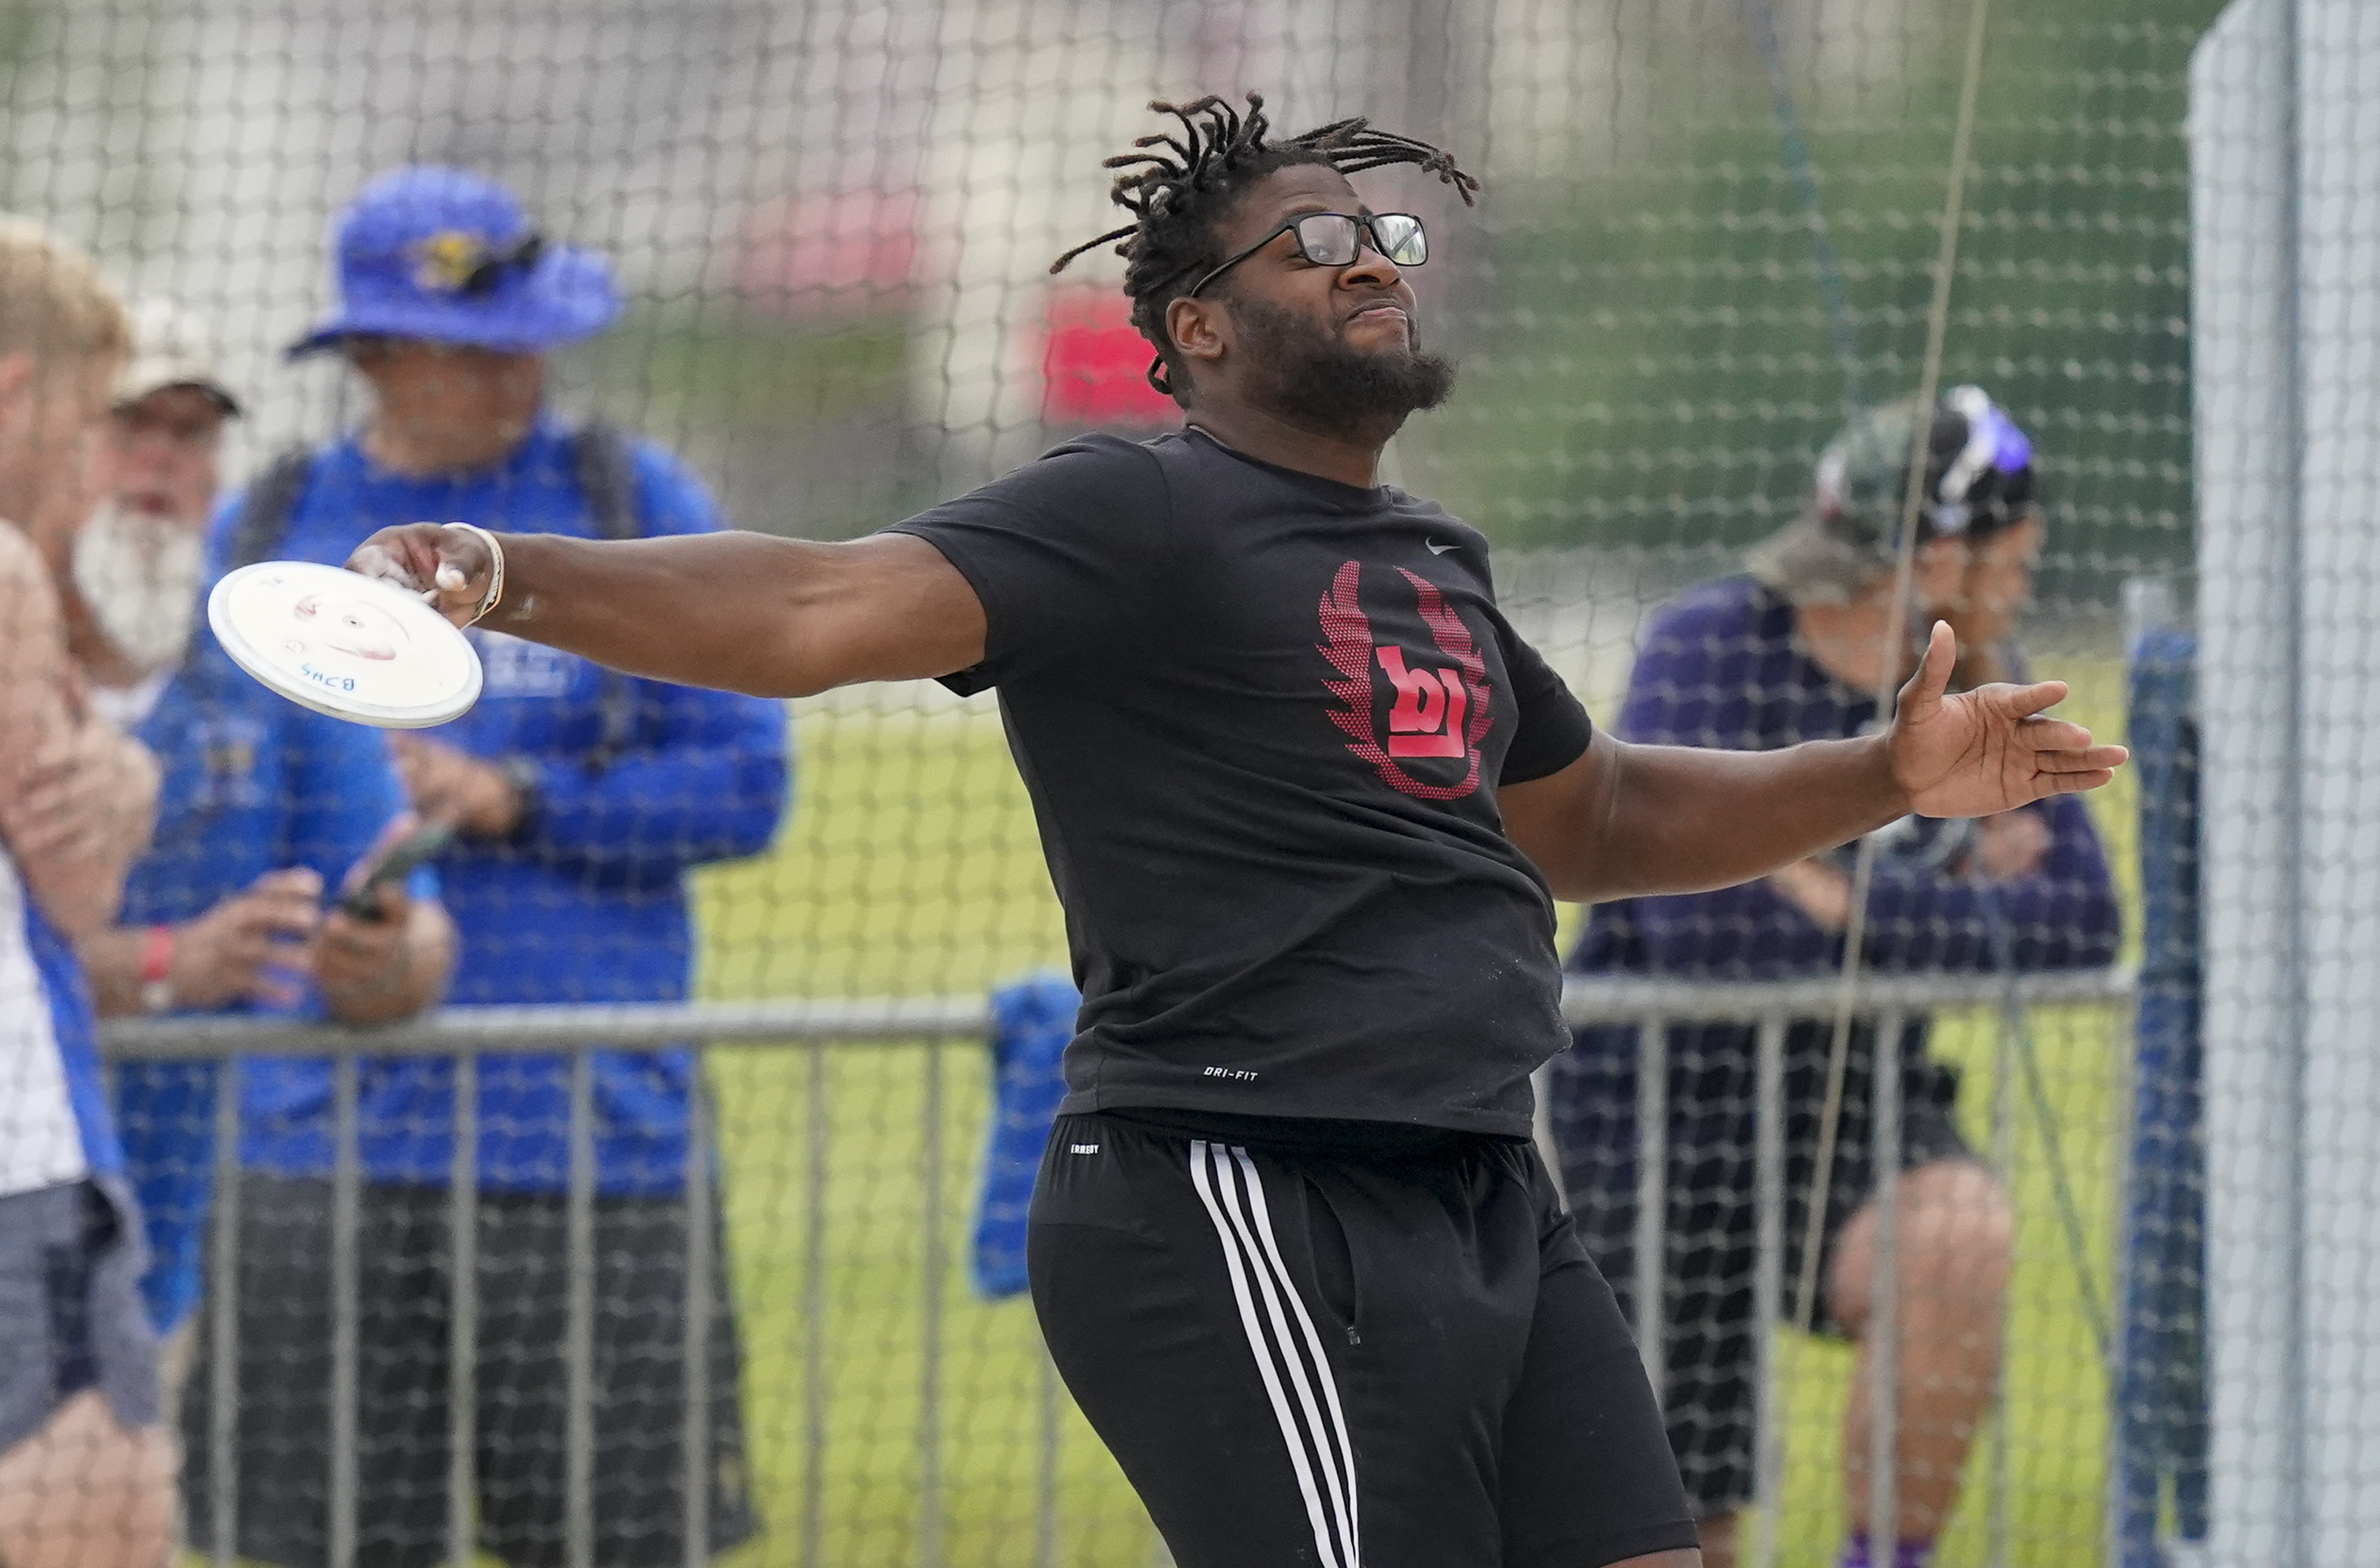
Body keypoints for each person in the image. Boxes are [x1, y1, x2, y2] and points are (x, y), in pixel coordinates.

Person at [347, 97, 2127, 1568]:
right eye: (1312, 242)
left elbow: (1596, 815)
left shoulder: (1426, 556)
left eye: (1383, 237)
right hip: (1239, 1185)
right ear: (1197, 327)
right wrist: (509, 574)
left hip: (1485, 1182)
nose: (1368, 256)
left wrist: (1885, 774)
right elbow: (815, 607)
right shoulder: (1135, 507)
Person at [180, 168, 787, 1568]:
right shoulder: (272, 531)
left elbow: (748, 785)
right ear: (379, 356)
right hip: (315, 1147)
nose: (526, 367)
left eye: (531, 335)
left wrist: (519, 798)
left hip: (584, 1146)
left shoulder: (628, 500)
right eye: (483, 341)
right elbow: (204, 808)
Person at [1547, 389, 2120, 1568]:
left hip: (1857, 1094)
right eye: (2019, 556)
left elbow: (2078, 923)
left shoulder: (1988, 675)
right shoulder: (1712, 646)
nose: (2027, 580)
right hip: (1664, 1112)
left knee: (1958, 1233)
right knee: (1679, 1518)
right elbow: (1702, 933)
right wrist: (1951, 894)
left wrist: (1845, 895)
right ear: (1941, 556)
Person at [70, 300, 456, 1373]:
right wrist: (162, 966)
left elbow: (413, 943)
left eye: (192, 431)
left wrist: (378, 960)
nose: (159, 458)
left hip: (147, 1263)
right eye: (127, 421)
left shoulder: (273, 655)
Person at [0, 217, 172, 1568]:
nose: (83, 477)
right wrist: (122, 771)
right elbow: (72, 886)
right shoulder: (4, 575)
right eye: (79, 434)